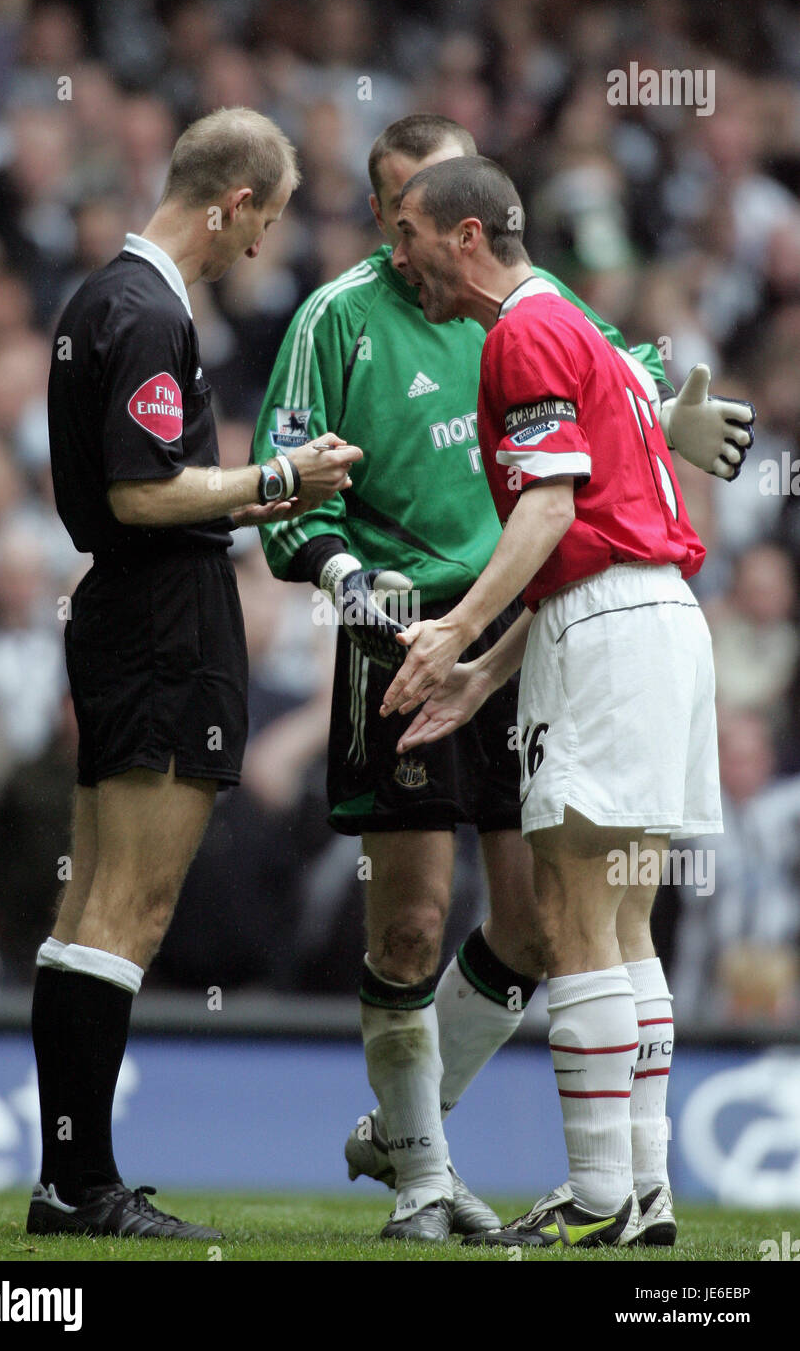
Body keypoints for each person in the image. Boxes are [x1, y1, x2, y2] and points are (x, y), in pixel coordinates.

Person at [251, 116, 753, 1242]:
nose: (403, 244)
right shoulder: (347, 315)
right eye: (393, 215)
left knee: (563, 921)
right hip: (479, 623)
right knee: (480, 922)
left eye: (422, 223)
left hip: (551, 618)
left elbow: (554, 500)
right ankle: (500, 1175)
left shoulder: (529, 327)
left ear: (462, 227)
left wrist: (469, 632)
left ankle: (593, 1191)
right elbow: (292, 493)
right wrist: (401, 614)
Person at [32, 106, 361, 1240]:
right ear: (227, 203)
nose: (259, 247)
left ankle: (65, 1176)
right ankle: (79, 1185)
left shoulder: (99, 301)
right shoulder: (145, 309)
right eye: (260, 220)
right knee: (127, 904)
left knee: (90, 908)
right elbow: (141, 491)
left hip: (131, 617)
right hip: (161, 620)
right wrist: (279, 482)